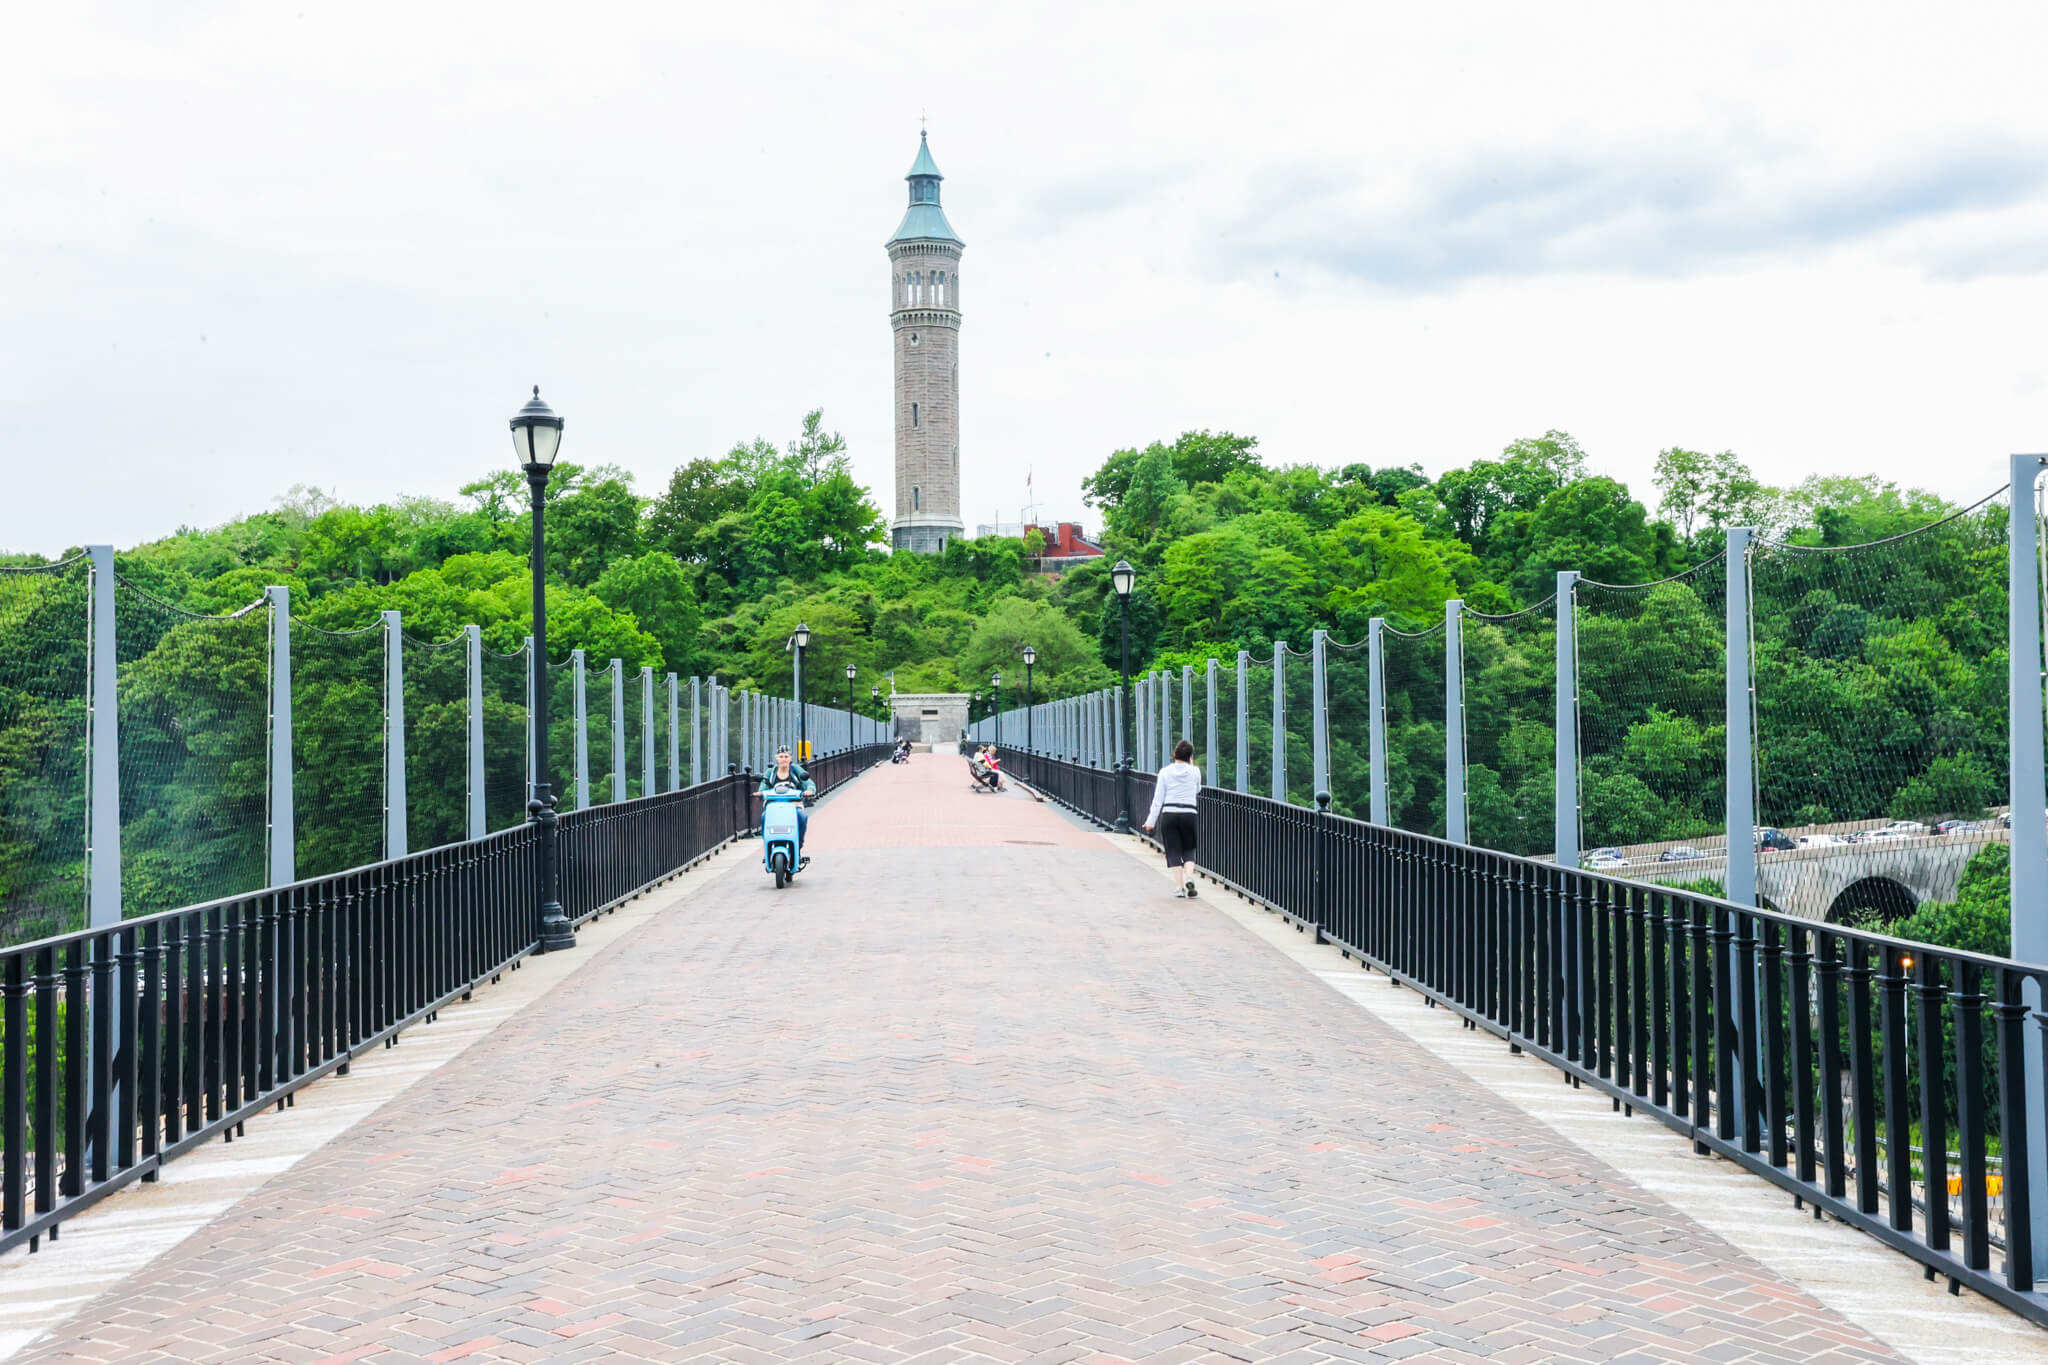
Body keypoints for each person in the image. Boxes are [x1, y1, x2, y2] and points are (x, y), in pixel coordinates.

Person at [1143, 738, 1202, 897]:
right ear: (1190, 757)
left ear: (1174, 754)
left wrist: (1150, 822)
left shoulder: (1165, 772)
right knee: (1189, 849)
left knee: (1174, 851)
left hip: (1170, 814)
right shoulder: (1195, 771)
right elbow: (1197, 790)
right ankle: (1189, 877)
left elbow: (1158, 799)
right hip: (1189, 814)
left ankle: (1180, 887)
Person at [757, 745, 817, 865]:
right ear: (776, 758)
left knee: (801, 817)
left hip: (794, 805)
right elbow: (763, 786)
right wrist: (759, 793)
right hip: (774, 806)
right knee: (764, 817)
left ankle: (798, 846)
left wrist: (809, 790)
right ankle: (768, 848)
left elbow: (808, 783)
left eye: (786, 756)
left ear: (790, 758)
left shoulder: (796, 770)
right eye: (781, 756)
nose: (783, 759)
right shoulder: (771, 772)